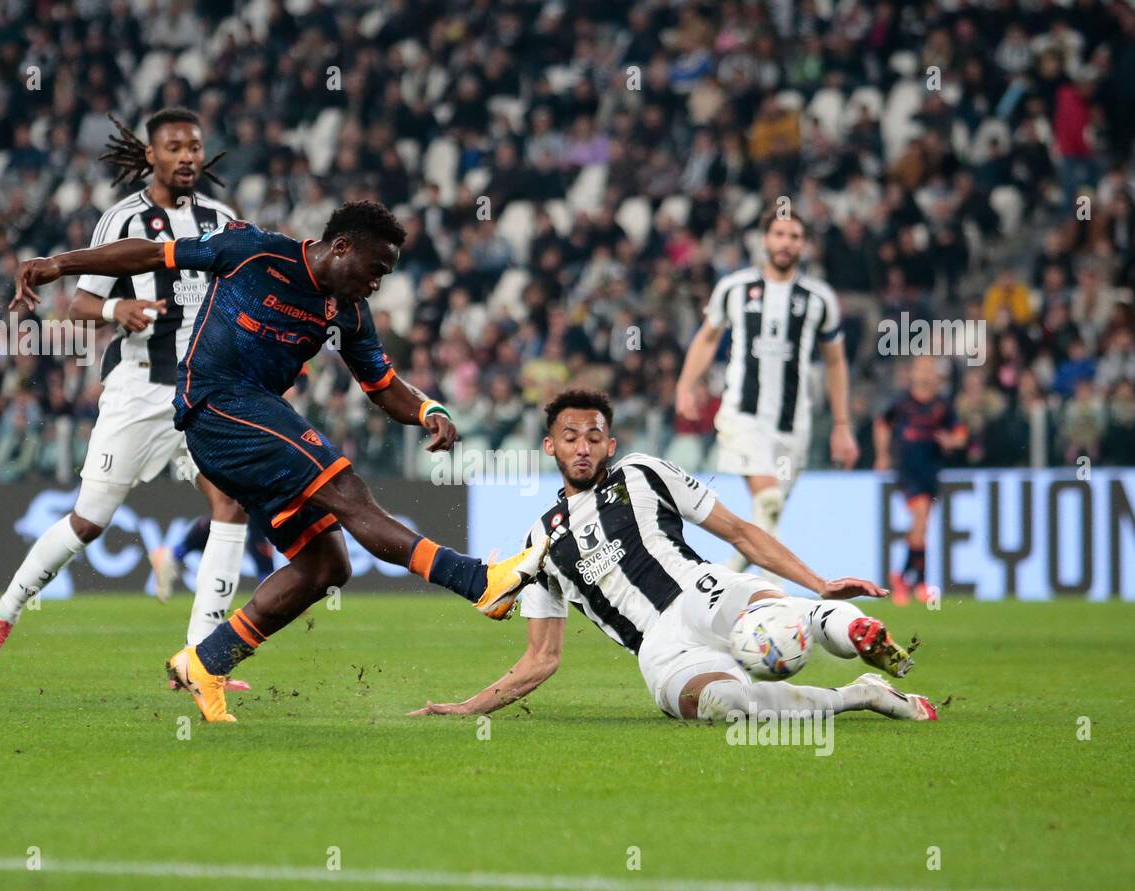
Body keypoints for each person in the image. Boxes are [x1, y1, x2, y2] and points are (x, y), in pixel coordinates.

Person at [7, 200, 546, 723]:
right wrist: (60, 264)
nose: (377, 283)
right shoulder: (252, 252)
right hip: (214, 406)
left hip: (252, 423)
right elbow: (150, 253)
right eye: (374, 269)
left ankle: (204, 661)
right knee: (347, 490)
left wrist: (427, 408)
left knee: (326, 567)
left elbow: (382, 385)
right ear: (340, 247)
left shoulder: (348, 313)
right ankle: (477, 581)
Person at [412, 390, 935, 723]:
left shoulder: (642, 472)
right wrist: (468, 707)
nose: (583, 447)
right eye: (569, 438)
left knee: (787, 619)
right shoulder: (539, 542)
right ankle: (862, 695)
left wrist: (818, 581)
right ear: (550, 447)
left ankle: (849, 627)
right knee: (727, 706)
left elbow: (740, 532)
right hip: (660, 650)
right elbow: (541, 659)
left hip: (704, 592)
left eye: (594, 437)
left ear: (610, 444)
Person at [0, 108, 257, 688]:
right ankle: (2, 614)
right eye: (173, 147)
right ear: (151, 156)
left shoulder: (222, 219)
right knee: (90, 520)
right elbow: (76, 305)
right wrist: (113, 309)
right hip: (139, 389)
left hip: (204, 393)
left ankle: (201, 661)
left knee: (231, 505)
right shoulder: (122, 219)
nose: (187, 157)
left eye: (194, 147)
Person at [674, 208, 859, 573]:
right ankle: (779, 606)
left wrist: (841, 424)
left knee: (765, 519)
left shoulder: (818, 298)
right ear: (764, 240)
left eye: (793, 236)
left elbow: (836, 362)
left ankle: (724, 580)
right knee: (770, 501)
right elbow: (707, 338)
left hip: (794, 423)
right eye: (778, 234)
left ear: (803, 245)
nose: (785, 243)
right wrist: (685, 386)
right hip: (743, 415)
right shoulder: (734, 288)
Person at [873, 357, 967, 604]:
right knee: (920, 515)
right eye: (921, 369)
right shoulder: (902, 403)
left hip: (931, 471)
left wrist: (952, 440)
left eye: (929, 369)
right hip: (907, 471)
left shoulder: (941, 405)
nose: (925, 374)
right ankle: (920, 581)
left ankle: (903, 577)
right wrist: (882, 455)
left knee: (921, 526)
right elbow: (882, 424)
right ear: (912, 374)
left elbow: (960, 433)